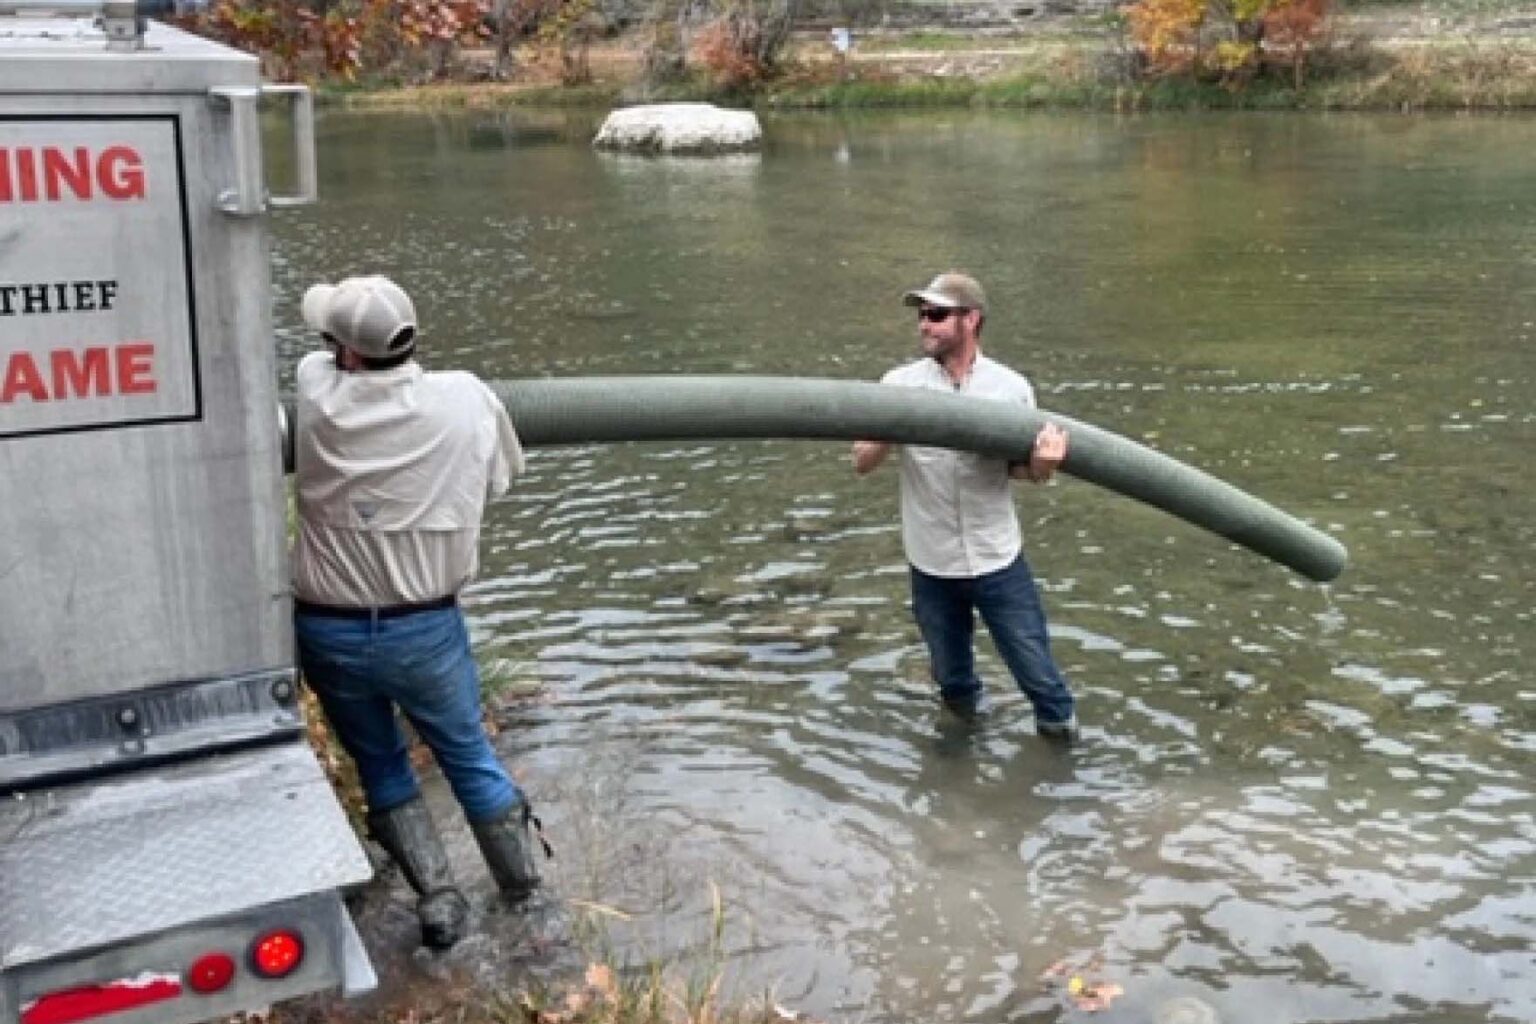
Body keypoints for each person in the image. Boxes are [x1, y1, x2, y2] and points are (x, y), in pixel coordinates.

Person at [292, 274, 543, 951]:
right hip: (425, 627)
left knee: (381, 764)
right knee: (469, 756)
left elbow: (318, 358)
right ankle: (523, 894)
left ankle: (439, 899)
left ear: (343, 352)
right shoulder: (464, 397)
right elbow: (501, 475)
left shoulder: (316, 391)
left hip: (328, 627)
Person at [851, 271, 1079, 741]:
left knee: (1039, 675)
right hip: (931, 562)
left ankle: (1063, 769)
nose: (924, 326)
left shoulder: (1009, 388)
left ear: (970, 320)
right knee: (952, 680)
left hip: (997, 558)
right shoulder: (898, 385)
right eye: (921, 316)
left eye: (936, 315)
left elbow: (1021, 472)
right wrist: (892, 424)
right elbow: (862, 462)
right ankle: (956, 768)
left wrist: (1044, 465)